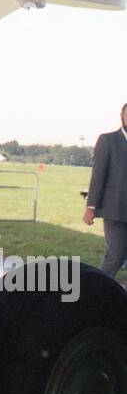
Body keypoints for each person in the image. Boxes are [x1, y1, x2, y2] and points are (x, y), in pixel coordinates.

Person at [83, 103, 127, 279]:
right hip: (114, 209)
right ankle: (99, 286)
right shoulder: (108, 140)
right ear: (122, 117)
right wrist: (91, 207)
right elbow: (98, 175)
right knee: (117, 254)